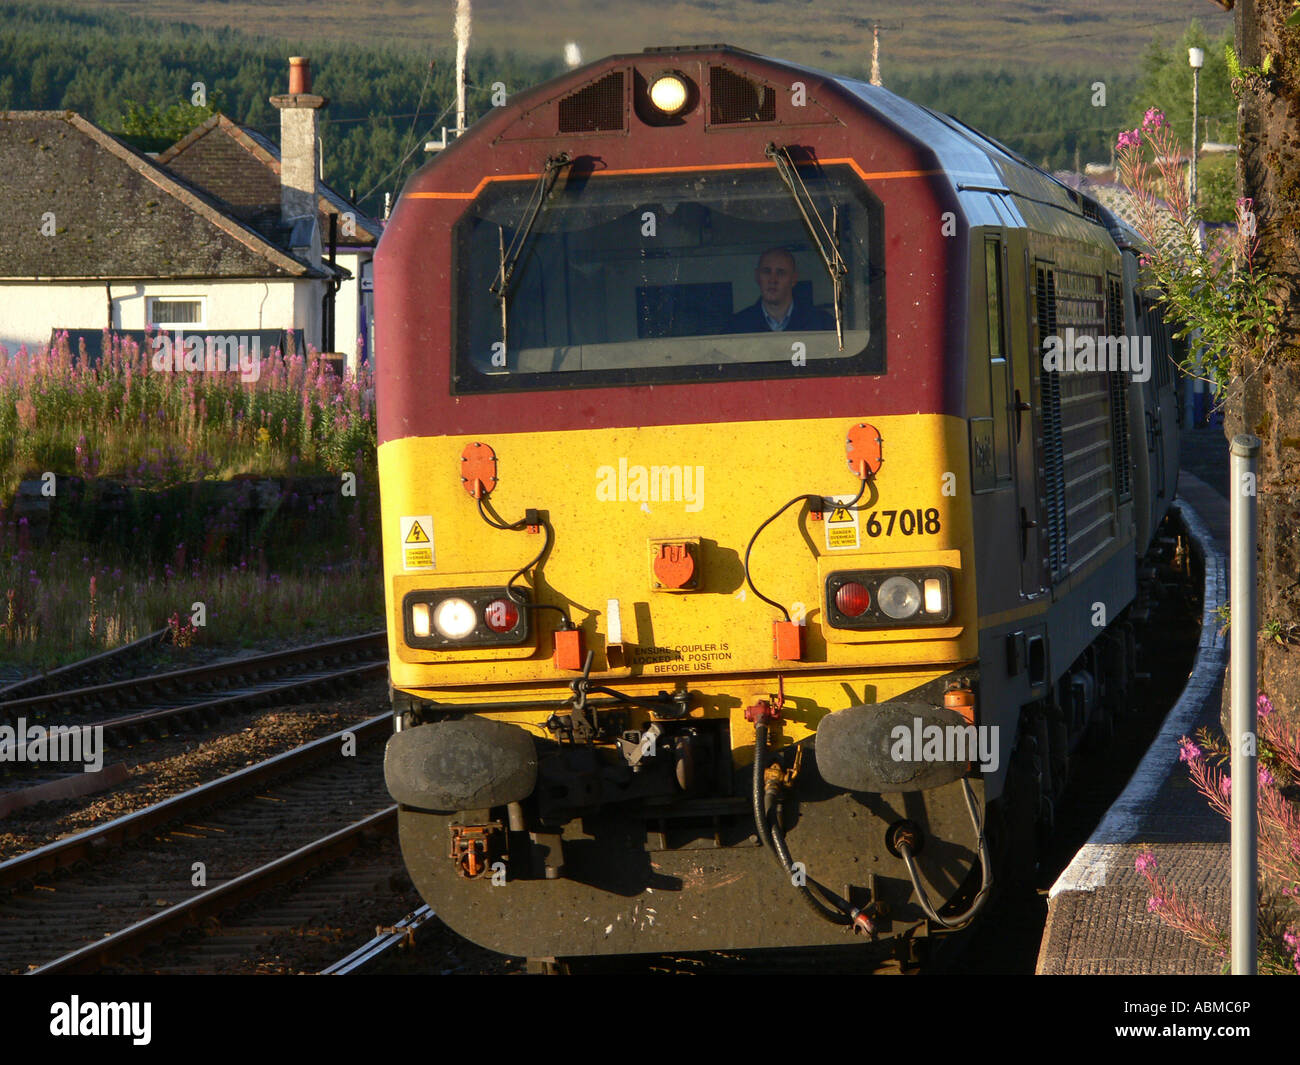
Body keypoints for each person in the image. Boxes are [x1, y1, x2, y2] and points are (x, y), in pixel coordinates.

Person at [729, 248, 835, 333]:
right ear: (757, 277)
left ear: (794, 279)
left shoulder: (821, 323)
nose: (772, 280)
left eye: (780, 273)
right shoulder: (737, 326)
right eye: (766, 272)